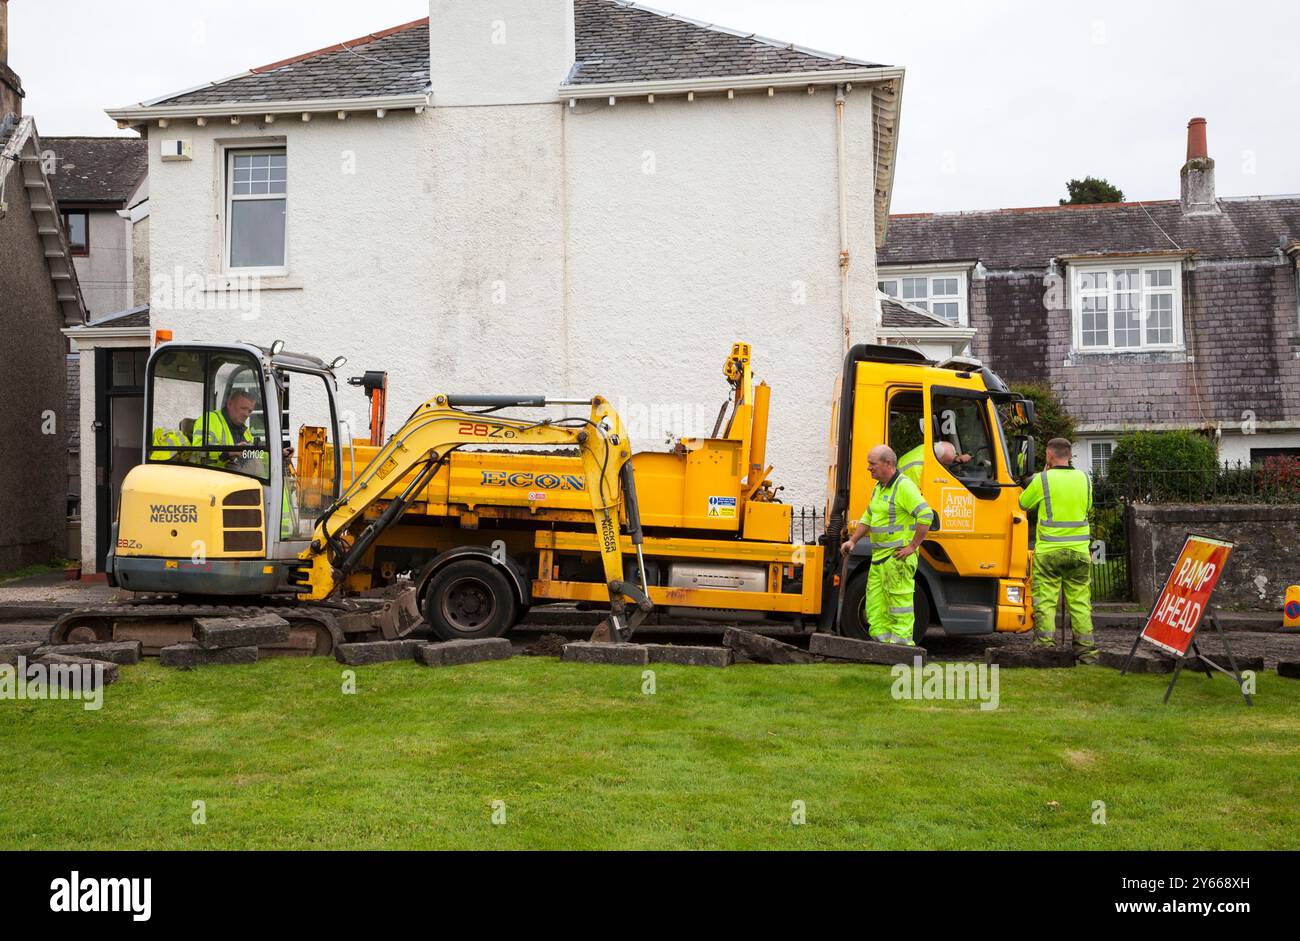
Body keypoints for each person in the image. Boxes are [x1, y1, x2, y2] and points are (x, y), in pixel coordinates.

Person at [841, 444, 936, 645]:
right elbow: (868, 517)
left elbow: (926, 515)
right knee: (875, 604)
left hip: (897, 559)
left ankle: (901, 646)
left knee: (899, 603)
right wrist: (852, 541)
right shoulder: (879, 487)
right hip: (879, 558)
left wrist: (912, 547)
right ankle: (882, 646)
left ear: (888, 464)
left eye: (872, 464)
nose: (868, 468)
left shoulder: (904, 487)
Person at [1018, 437, 1097, 663]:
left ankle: (1045, 648)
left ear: (1049, 456)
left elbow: (1022, 503)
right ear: (1070, 455)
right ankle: (1086, 653)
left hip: (1049, 553)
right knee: (1080, 603)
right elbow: (1088, 506)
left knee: (1045, 602)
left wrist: (1043, 474)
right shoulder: (1085, 479)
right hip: (1080, 553)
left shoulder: (1043, 479)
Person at [193, 390, 256, 467]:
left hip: (240, 475)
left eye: (249, 411)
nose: (246, 414)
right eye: (243, 408)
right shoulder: (209, 419)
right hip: (213, 475)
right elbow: (198, 450)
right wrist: (228, 452)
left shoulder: (246, 432)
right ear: (229, 404)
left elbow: (256, 458)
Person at [898, 440, 970, 487]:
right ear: (937, 459)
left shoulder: (931, 448)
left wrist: (956, 458)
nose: (946, 467)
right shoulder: (918, 470)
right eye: (945, 464)